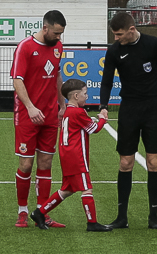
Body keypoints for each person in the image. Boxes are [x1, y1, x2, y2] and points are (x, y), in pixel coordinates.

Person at [100, 11, 157, 230]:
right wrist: (104, 107)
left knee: (154, 162)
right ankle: (121, 217)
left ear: (132, 30)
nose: (116, 38)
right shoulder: (114, 51)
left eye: (118, 34)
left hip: (152, 108)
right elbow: (106, 81)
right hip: (129, 109)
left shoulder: (154, 44)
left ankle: (153, 217)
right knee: (126, 163)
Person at [7, 11, 68, 227]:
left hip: (50, 114)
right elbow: (17, 80)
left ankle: (42, 212)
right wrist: (31, 107)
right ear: (45, 28)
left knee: (46, 162)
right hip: (27, 115)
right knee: (26, 164)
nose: (59, 37)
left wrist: (62, 104)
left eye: (62, 33)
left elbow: (57, 75)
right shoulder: (25, 47)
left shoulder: (58, 47)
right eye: (56, 33)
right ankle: (22, 210)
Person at [31, 79, 110, 231]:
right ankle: (92, 223)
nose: (87, 96)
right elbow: (94, 129)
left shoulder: (69, 111)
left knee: (67, 190)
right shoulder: (78, 112)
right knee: (87, 189)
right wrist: (102, 118)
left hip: (67, 155)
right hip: (76, 157)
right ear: (75, 96)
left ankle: (39, 213)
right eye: (85, 94)